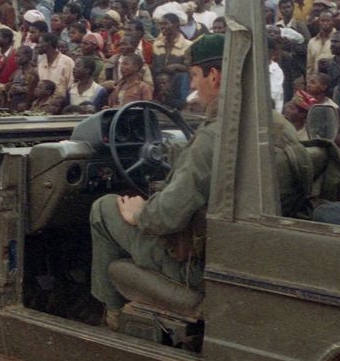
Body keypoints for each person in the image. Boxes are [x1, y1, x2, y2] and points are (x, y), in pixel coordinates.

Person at [87, 34, 306, 328]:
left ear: (213, 76)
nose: (190, 85)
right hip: (252, 257)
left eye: (193, 75)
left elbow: (165, 217)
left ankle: (110, 315)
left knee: (104, 208)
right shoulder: (279, 125)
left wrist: (138, 212)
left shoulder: (215, 138)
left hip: (199, 266)